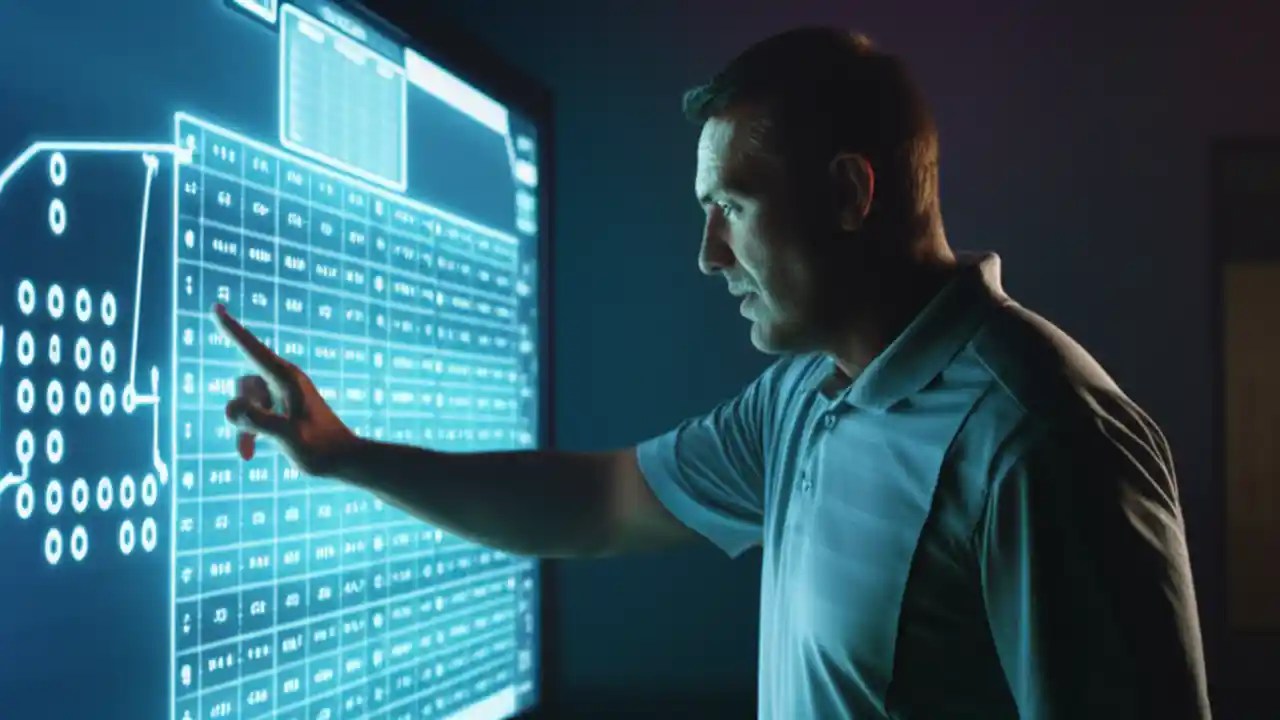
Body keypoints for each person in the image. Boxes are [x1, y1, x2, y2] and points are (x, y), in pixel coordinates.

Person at [213, 26, 1211, 720]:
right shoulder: (802, 399)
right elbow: (596, 503)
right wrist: (347, 456)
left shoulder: (1040, 438)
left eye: (730, 207)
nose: (706, 255)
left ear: (847, 194)